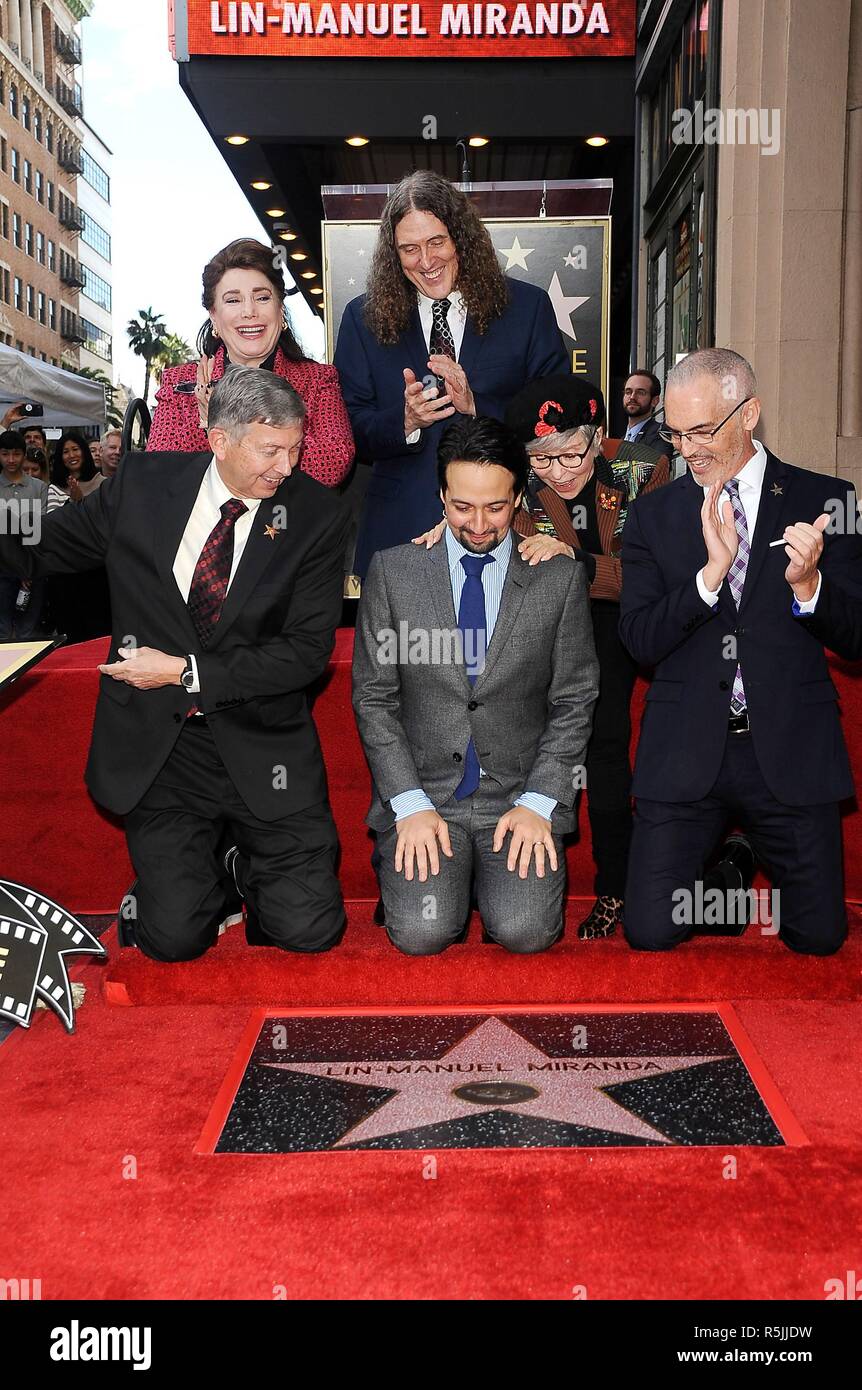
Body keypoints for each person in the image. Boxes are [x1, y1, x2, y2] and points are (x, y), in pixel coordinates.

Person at [0, 367, 350, 963]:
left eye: (294, 449)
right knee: (173, 939)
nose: (286, 467)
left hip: (263, 741)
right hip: (165, 749)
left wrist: (185, 671)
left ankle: (245, 868)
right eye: (270, 450)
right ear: (218, 439)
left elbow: (304, 654)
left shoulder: (313, 514)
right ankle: (197, 881)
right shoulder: (141, 485)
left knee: (309, 932)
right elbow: (38, 545)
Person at [619, 348, 862, 955]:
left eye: (704, 430)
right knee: (650, 933)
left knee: (819, 939)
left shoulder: (831, 500)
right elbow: (640, 642)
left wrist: (811, 589)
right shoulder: (651, 516)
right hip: (686, 748)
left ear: (748, 413)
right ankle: (728, 866)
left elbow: (858, 636)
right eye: (676, 434)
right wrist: (708, 578)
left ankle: (745, 845)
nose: (689, 449)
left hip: (787, 748)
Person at [353, 414, 599, 955]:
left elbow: (574, 699)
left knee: (526, 933)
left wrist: (540, 800)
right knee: (423, 933)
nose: (479, 524)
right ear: (441, 496)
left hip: (516, 795)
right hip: (426, 794)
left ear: (519, 499)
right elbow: (374, 698)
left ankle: (484, 885)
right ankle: (434, 878)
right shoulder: (393, 573)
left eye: (495, 506)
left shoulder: (557, 578)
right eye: (462, 507)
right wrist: (408, 802)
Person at [334, 170, 570, 577]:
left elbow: (558, 415)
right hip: (400, 532)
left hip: (507, 532)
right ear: (394, 255)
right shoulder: (362, 318)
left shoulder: (528, 308)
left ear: (461, 236)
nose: (426, 262)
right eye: (409, 249)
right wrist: (405, 421)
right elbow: (347, 428)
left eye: (436, 242)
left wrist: (477, 405)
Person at [147, 237, 354, 489]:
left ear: (280, 308)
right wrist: (208, 424)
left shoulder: (318, 380)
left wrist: (234, 427)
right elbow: (162, 473)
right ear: (214, 315)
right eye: (233, 300)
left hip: (287, 523)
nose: (249, 311)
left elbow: (331, 465)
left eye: (262, 298)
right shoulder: (180, 385)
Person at [49, 431, 111, 642]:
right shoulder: (53, 488)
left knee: (98, 631)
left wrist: (80, 503)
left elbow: (104, 524)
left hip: (94, 570)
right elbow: (51, 526)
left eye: (75, 449)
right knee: (71, 634)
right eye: (65, 451)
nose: (71, 455)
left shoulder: (103, 484)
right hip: (63, 572)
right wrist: (71, 504)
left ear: (84, 452)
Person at [0, 430, 47, 640]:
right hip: (2, 570)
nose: (11, 460)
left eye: (16, 454)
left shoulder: (38, 487)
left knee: (27, 633)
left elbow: (40, 530)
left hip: (32, 569)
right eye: (5, 453)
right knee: (2, 631)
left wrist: (29, 568)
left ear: (23, 454)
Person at [622, 370, 674, 460]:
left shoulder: (660, 434)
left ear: (655, 401)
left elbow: (653, 470)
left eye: (640, 392)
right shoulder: (622, 440)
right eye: (628, 392)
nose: (632, 397)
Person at [23, 446, 67, 512]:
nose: (30, 474)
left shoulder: (53, 492)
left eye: (35, 470)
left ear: (43, 471)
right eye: (25, 469)